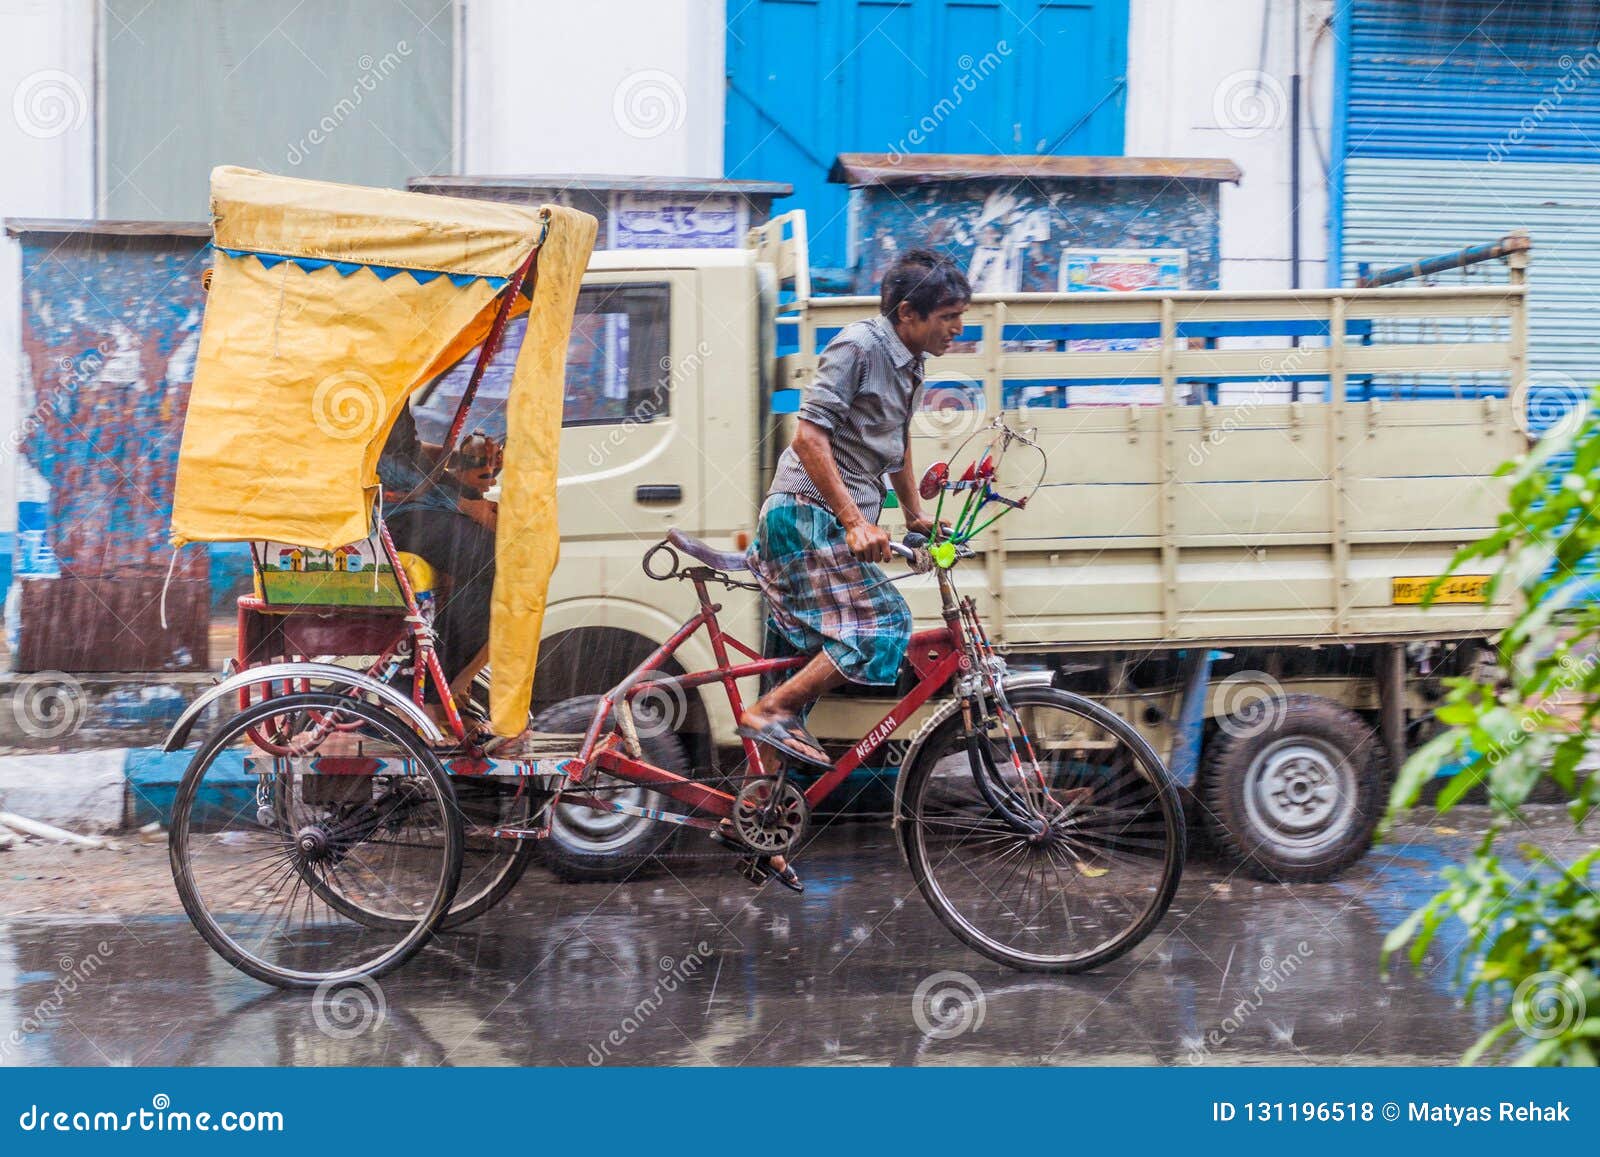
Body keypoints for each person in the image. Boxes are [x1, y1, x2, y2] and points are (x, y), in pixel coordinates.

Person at [727, 249, 971, 888]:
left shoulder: (910, 359)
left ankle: (761, 831)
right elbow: (808, 437)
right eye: (948, 316)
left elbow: (894, 440)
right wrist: (856, 521)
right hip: (804, 518)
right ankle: (770, 711)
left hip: (827, 525)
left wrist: (913, 514)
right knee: (882, 625)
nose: (958, 329)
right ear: (908, 312)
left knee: (791, 673)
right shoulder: (858, 346)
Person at [377, 405, 502, 715]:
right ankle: (434, 691)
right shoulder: (363, 376)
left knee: (505, 553)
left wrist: (460, 465)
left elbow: (405, 450)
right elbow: (380, 464)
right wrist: (460, 502)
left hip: (409, 507)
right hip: (385, 517)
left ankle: (446, 679)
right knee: (490, 560)